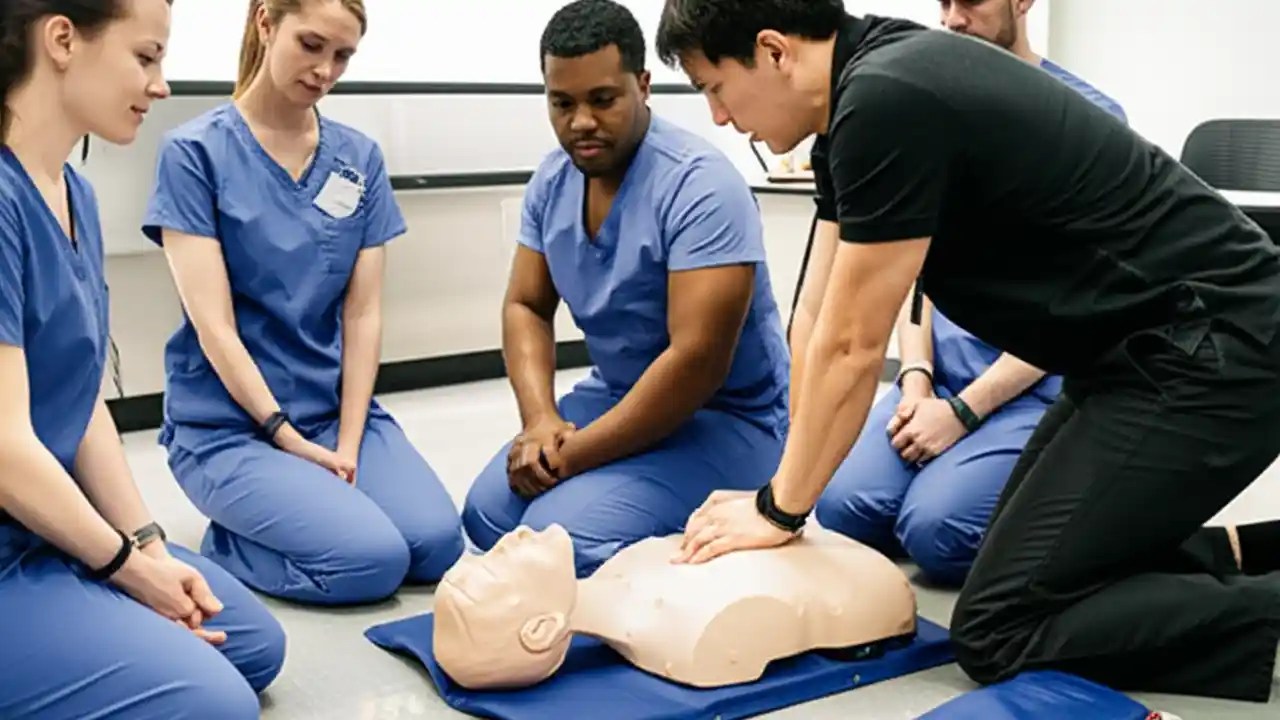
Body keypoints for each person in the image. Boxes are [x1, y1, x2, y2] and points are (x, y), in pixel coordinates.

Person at [657, 0, 1280, 703]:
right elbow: (817, 317)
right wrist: (784, 494)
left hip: (1212, 351)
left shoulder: (886, 100)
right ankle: (1254, 549)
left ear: (773, 51)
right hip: (1127, 356)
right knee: (1029, 565)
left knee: (995, 629)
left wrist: (778, 511)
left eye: (714, 88)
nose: (718, 117)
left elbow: (854, 346)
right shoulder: (855, 104)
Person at [0, 1, 285, 717]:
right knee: (217, 702)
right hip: (12, 540)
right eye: (146, 57)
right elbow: (5, 450)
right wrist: (124, 568)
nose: (161, 84)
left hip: (49, 528)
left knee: (254, 645)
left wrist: (148, 544)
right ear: (62, 39)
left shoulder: (75, 194)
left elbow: (80, 402)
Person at [142, 0, 465, 606]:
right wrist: (284, 434)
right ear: (266, 22)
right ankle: (229, 544)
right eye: (312, 45)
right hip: (229, 428)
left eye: (343, 56)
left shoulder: (358, 159)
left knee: (435, 546)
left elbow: (362, 314)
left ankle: (314, 508)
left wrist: (348, 445)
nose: (325, 70)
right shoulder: (194, 153)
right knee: (370, 563)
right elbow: (214, 327)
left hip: (331, 411)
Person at [461, 0, 791, 578]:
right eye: (562, 103)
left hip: (730, 419)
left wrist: (572, 456)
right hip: (615, 395)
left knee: (555, 537)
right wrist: (540, 422)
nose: (581, 122)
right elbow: (526, 304)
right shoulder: (552, 181)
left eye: (603, 99)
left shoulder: (700, 185)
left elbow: (696, 363)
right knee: (488, 515)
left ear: (643, 86)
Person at [811, 0, 1128, 587]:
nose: (953, 19)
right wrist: (916, 378)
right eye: (943, 3)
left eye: (971, 1)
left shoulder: (1088, 120)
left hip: (1035, 390)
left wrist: (962, 412)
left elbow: (1074, 310)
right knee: (841, 507)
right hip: (941, 375)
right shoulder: (930, 113)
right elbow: (914, 270)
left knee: (937, 531)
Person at [433, 521, 915, 689]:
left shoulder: (625, 563)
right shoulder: (700, 636)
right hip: (867, 589)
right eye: (495, 567)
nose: (509, 538)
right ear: (541, 630)